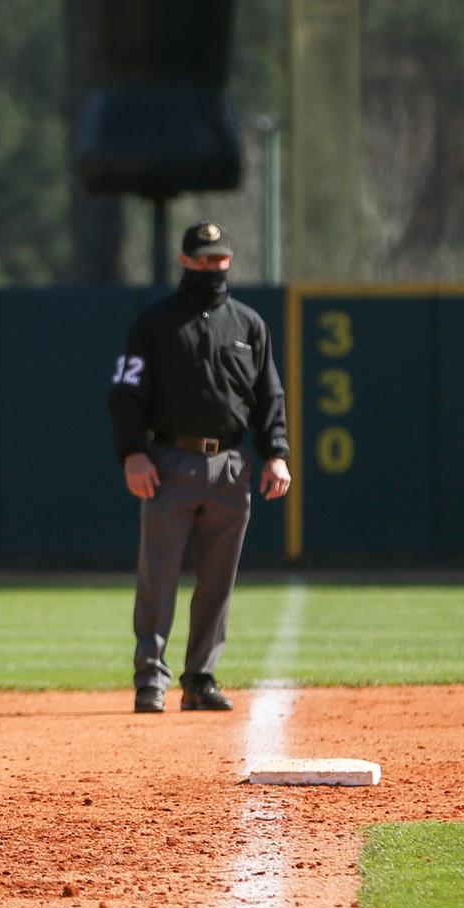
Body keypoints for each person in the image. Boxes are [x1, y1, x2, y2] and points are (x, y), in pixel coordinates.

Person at [108, 220, 291, 714]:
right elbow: (125, 394)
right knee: (158, 578)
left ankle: (200, 679)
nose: (214, 266)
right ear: (185, 261)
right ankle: (151, 679)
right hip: (169, 461)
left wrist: (276, 453)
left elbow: (269, 397)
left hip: (230, 464)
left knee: (217, 580)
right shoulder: (155, 323)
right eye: (204, 258)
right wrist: (133, 453)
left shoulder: (249, 324)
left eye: (220, 258)